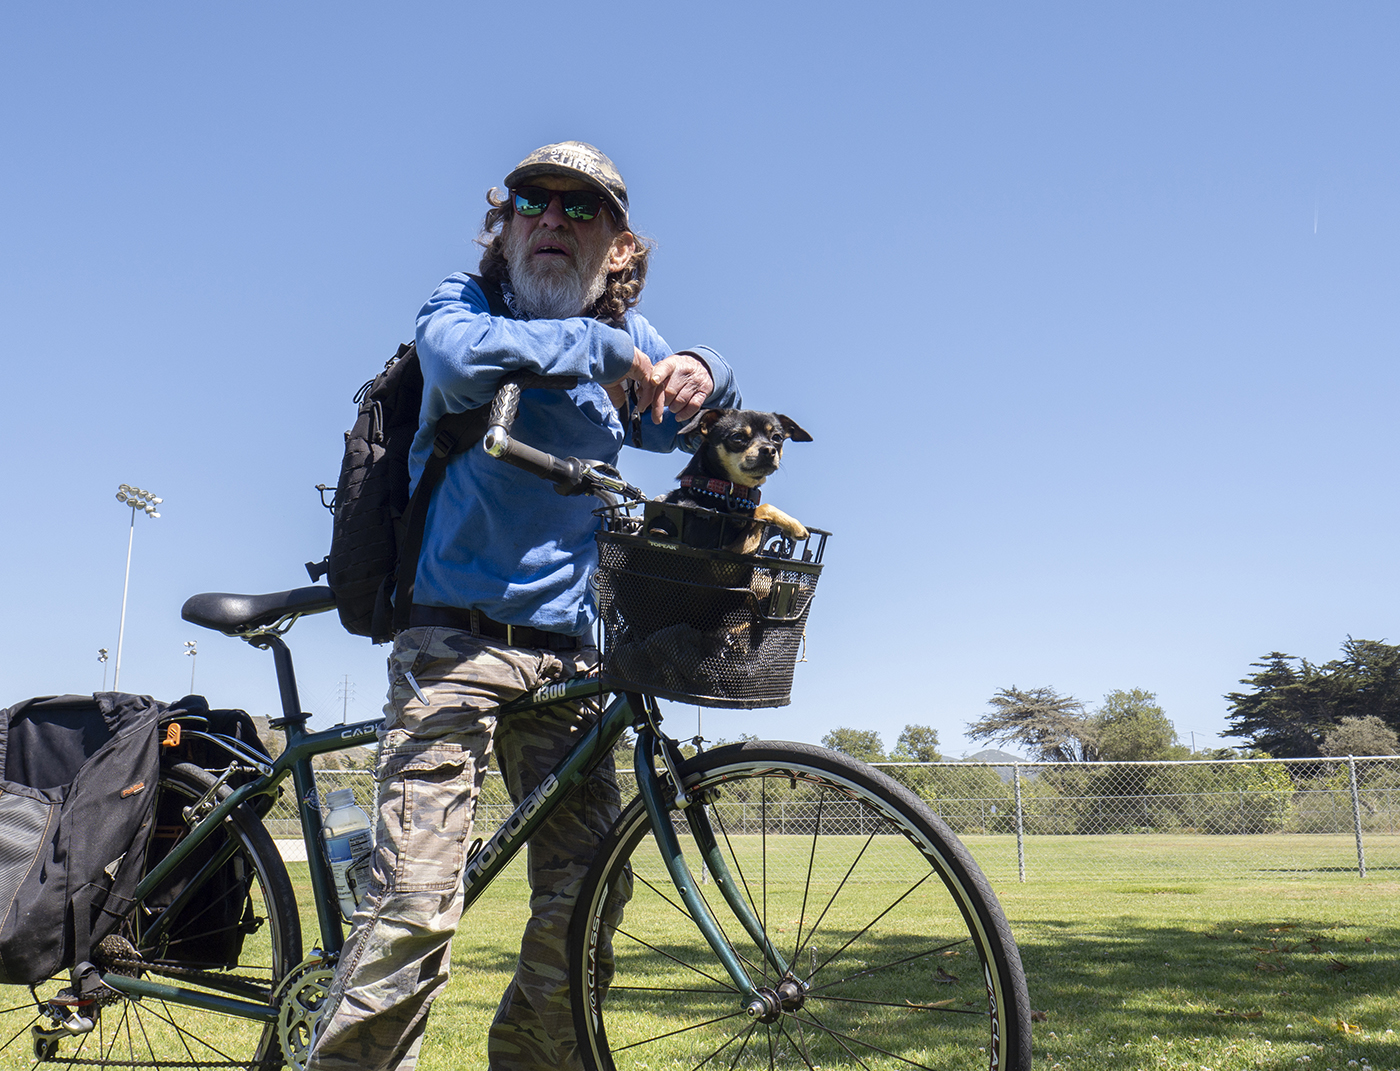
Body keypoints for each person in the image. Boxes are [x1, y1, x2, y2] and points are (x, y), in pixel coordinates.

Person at [306, 141, 742, 1071]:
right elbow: (457, 361)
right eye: (533, 204)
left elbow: (691, 408)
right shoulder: (464, 303)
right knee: (413, 905)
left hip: (572, 662)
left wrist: (703, 366)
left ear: (616, 246)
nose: (553, 222)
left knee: (589, 897)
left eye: (581, 211)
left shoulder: (631, 336)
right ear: (503, 227)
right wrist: (610, 347)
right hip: (451, 648)